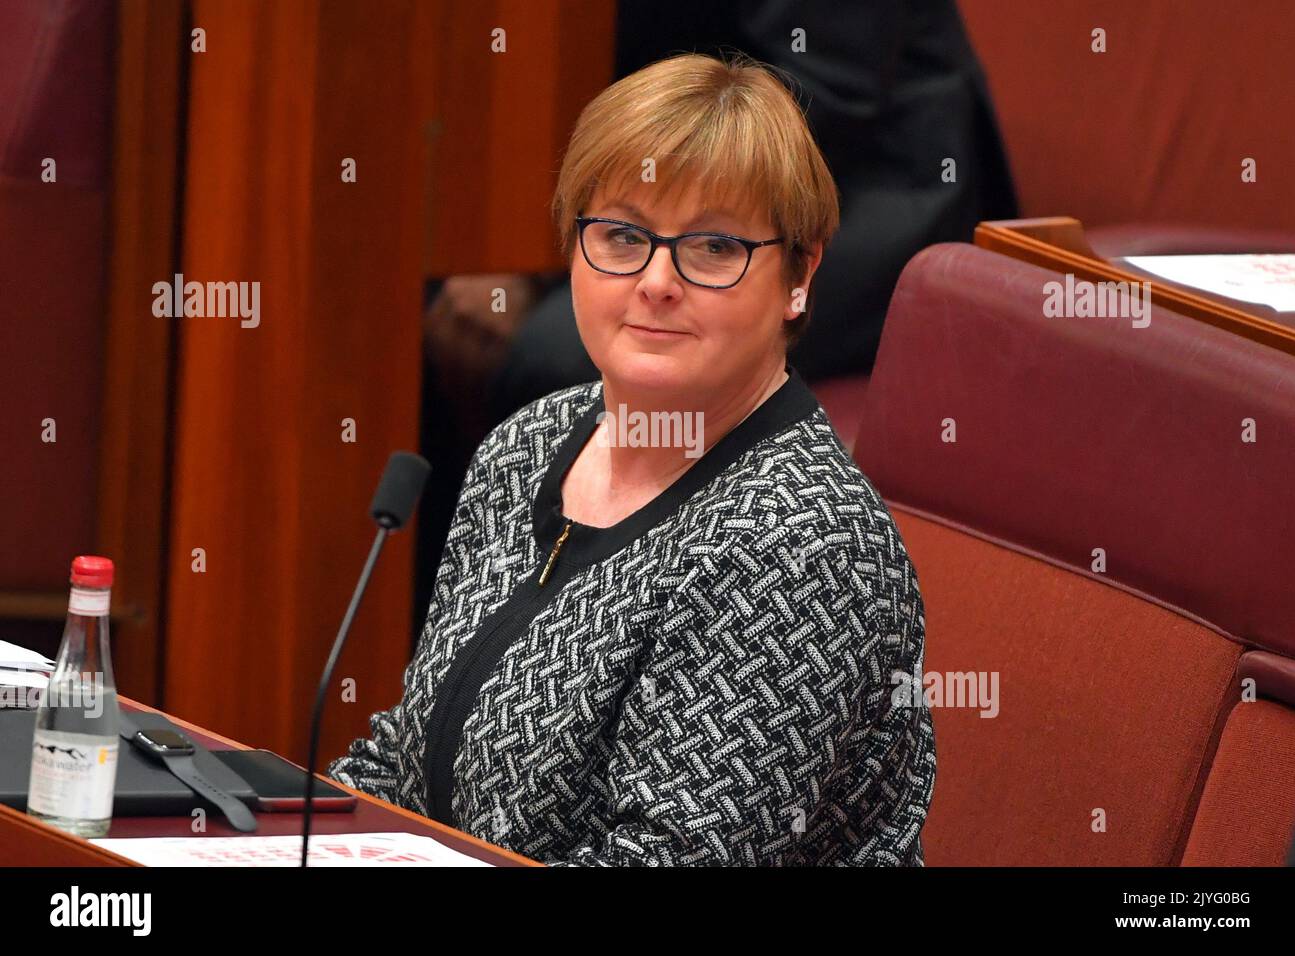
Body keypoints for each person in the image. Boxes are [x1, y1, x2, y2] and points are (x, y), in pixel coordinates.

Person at [329, 52, 935, 865]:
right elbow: (403, 768)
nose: (656, 281)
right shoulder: (531, 442)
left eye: (714, 247)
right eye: (621, 235)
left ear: (800, 274)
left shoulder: (805, 542)